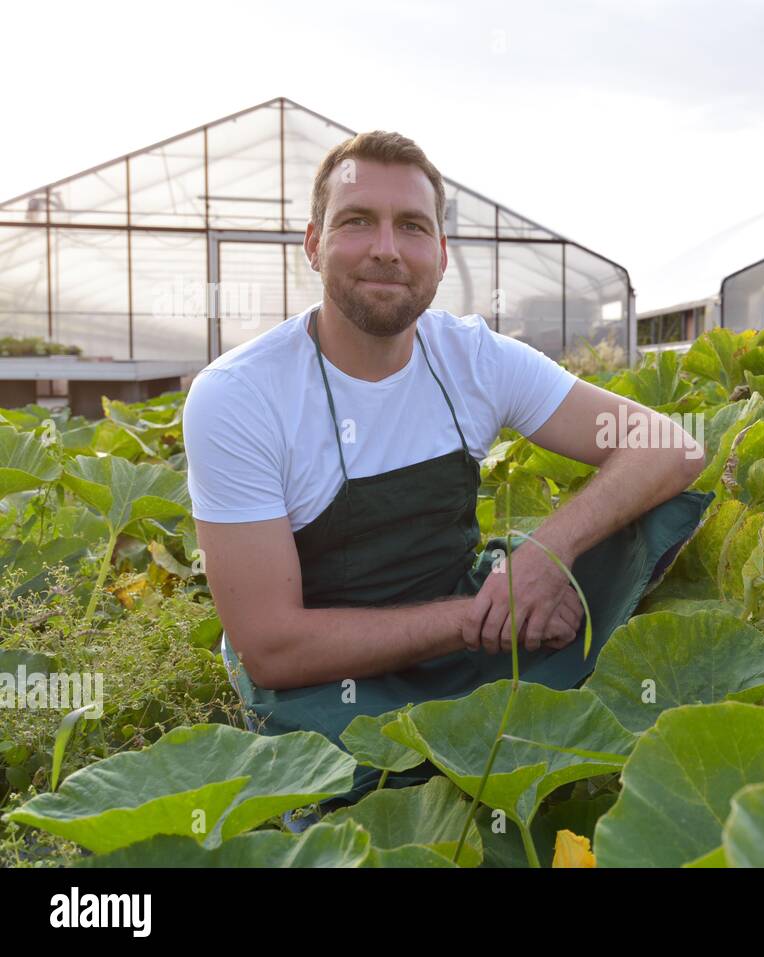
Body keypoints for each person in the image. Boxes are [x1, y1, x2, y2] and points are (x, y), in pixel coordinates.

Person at [181, 131, 711, 799]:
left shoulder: (473, 357)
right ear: (313, 244)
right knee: (366, 786)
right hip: (329, 675)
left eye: (411, 226)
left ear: (440, 252)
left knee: (652, 511)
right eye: (357, 222)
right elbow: (271, 645)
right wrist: (479, 618)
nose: (385, 247)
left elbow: (674, 445)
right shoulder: (239, 395)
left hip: (466, 621)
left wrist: (549, 551)